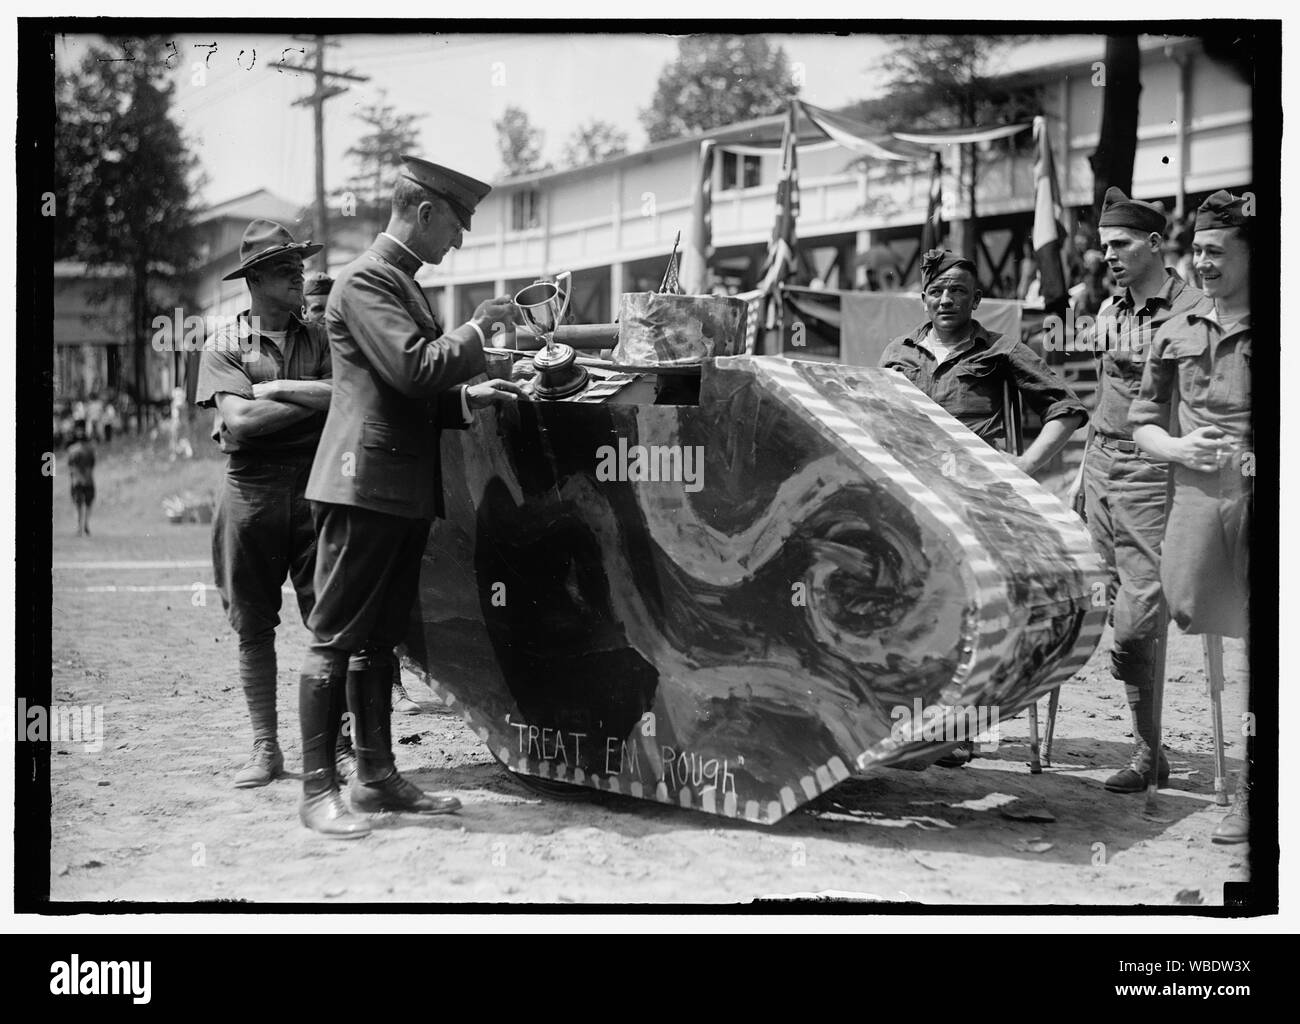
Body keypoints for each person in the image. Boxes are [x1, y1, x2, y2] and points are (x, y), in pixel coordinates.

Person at [294, 155, 524, 838]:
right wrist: (478, 332)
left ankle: (375, 777)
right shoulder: (368, 280)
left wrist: (465, 395)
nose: (458, 241)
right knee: (335, 638)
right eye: (455, 225)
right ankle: (316, 790)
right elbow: (411, 368)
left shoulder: (398, 282)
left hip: (392, 488)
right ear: (423, 213)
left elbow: (398, 390)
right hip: (361, 486)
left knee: (379, 641)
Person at [195, 219, 354, 789]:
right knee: (253, 625)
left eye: (300, 266)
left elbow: (350, 395)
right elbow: (240, 421)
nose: (300, 276)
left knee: (330, 619)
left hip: (316, 489)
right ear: (256, 279)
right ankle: (266, 748)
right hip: (250, 493)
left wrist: (278, 389)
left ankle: (336, 745)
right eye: (287, 269)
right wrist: (315, 402)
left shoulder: (321, 335)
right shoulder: (223, 345)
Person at [1065, 187, 1206, 795]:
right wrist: (1079, 473)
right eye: (1103, 247)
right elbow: (1105, 399)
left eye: (1120, 245)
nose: (1108, 257)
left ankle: (1150, 750)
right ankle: (1149, 753)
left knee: (1135, 622)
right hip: (1100, 467)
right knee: (1101, 603)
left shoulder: (1195, 312)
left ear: (1154, 244)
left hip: (1154, 477)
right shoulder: (1108, 312)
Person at [1131, 190, 1252, 843]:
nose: (1202, 263)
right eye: (1197, 250)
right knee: (1186, 605)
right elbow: (1141, 423)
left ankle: (1256, 792)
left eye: (1216, 251)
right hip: (1198, 498)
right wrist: (1178, 446)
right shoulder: (1175, 332)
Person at [880, 248, 1088, 476]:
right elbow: (874, 413)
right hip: (910, 478)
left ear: (976, 299)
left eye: (957, 290)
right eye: (936, 292)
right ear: (924, 300)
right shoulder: (898, 353)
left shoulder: (1002, 350)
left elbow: (1067, 408)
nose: (946, 300)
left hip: (977, 485)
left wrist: (1026, 463)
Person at [66, 420, 95, 536]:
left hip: (79, 480)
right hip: (86, 479)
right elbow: (92, 464)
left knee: (81, 504)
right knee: (85, 504)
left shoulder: (72, 449)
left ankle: (81, 526)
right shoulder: (90, 448)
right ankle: (83, 526)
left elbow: (70, 466)